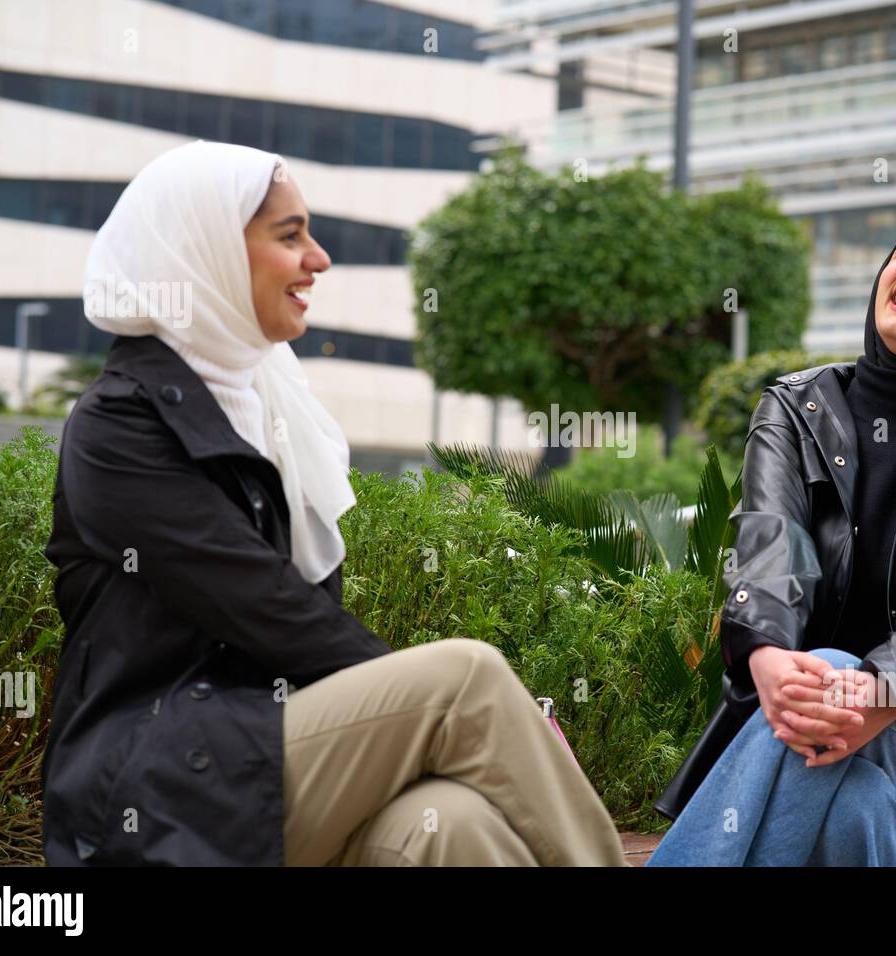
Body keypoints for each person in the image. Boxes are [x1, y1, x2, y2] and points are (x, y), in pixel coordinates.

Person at [40, 140, 627, 867]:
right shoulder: (119, 425)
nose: (318, 259)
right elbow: (266, 608)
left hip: (261, 755)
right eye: (289, 237)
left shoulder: (265, 410)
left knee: (449, 821)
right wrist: (454, 717)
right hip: (157, 784)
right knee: (468, 681)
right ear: (209, 252)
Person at [649, 212, 896, 866]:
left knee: (836, 663)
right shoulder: (796, 408)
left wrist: (882, 692)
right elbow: (770, 545)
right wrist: (767, 659)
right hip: (792, 711)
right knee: (859, 807)